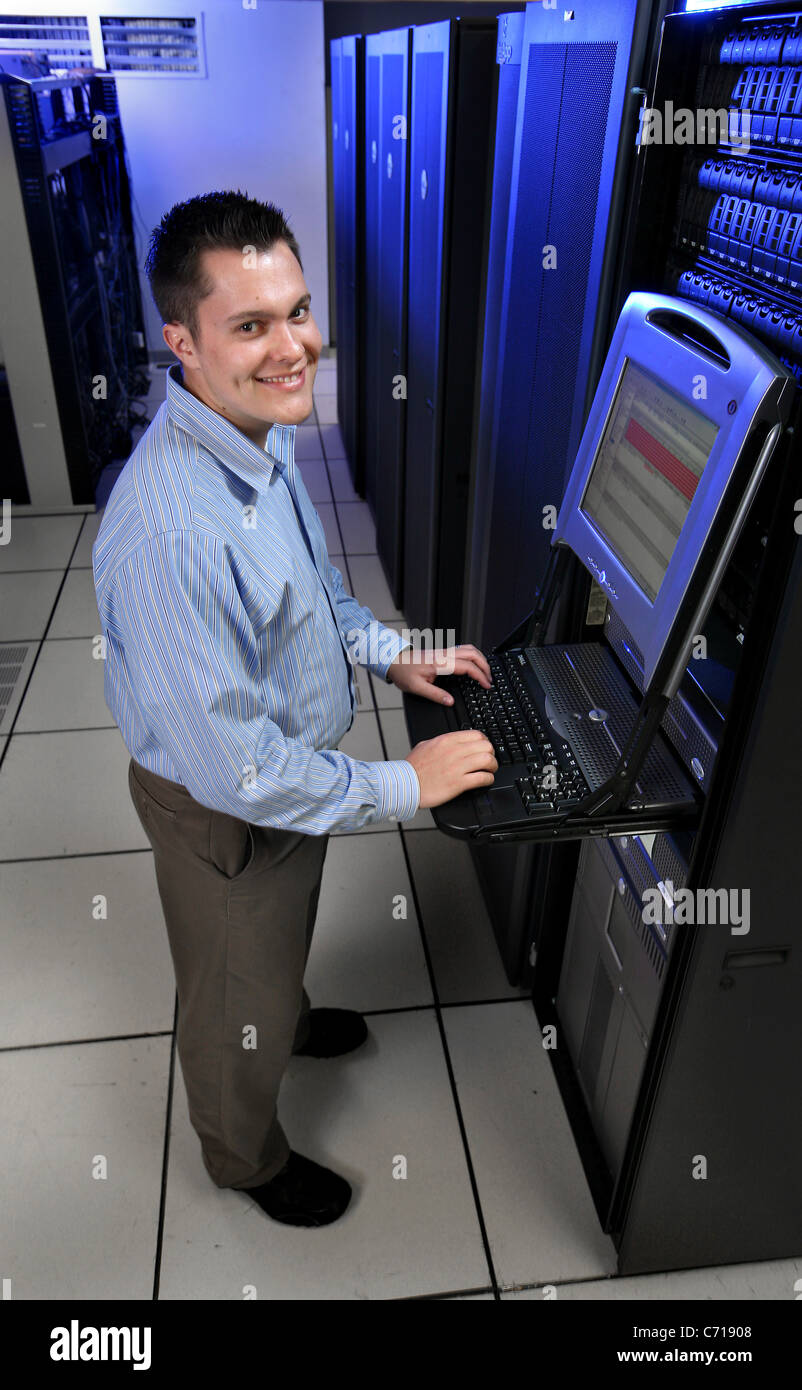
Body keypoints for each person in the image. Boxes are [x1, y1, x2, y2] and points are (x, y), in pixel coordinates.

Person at [92, 190, 498, 1228]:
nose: (295, 347)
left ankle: (288, 1005)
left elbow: (311, 595)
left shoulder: (252, 441)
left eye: (299, 311)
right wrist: (408, 783)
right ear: (181, 341)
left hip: (285, 779)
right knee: (236, 993)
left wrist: (391, 656)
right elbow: (243, 773)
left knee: (276, 948)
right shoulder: (174, 532)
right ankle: (241, 1153)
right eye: (252, 325)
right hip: (227, 808)